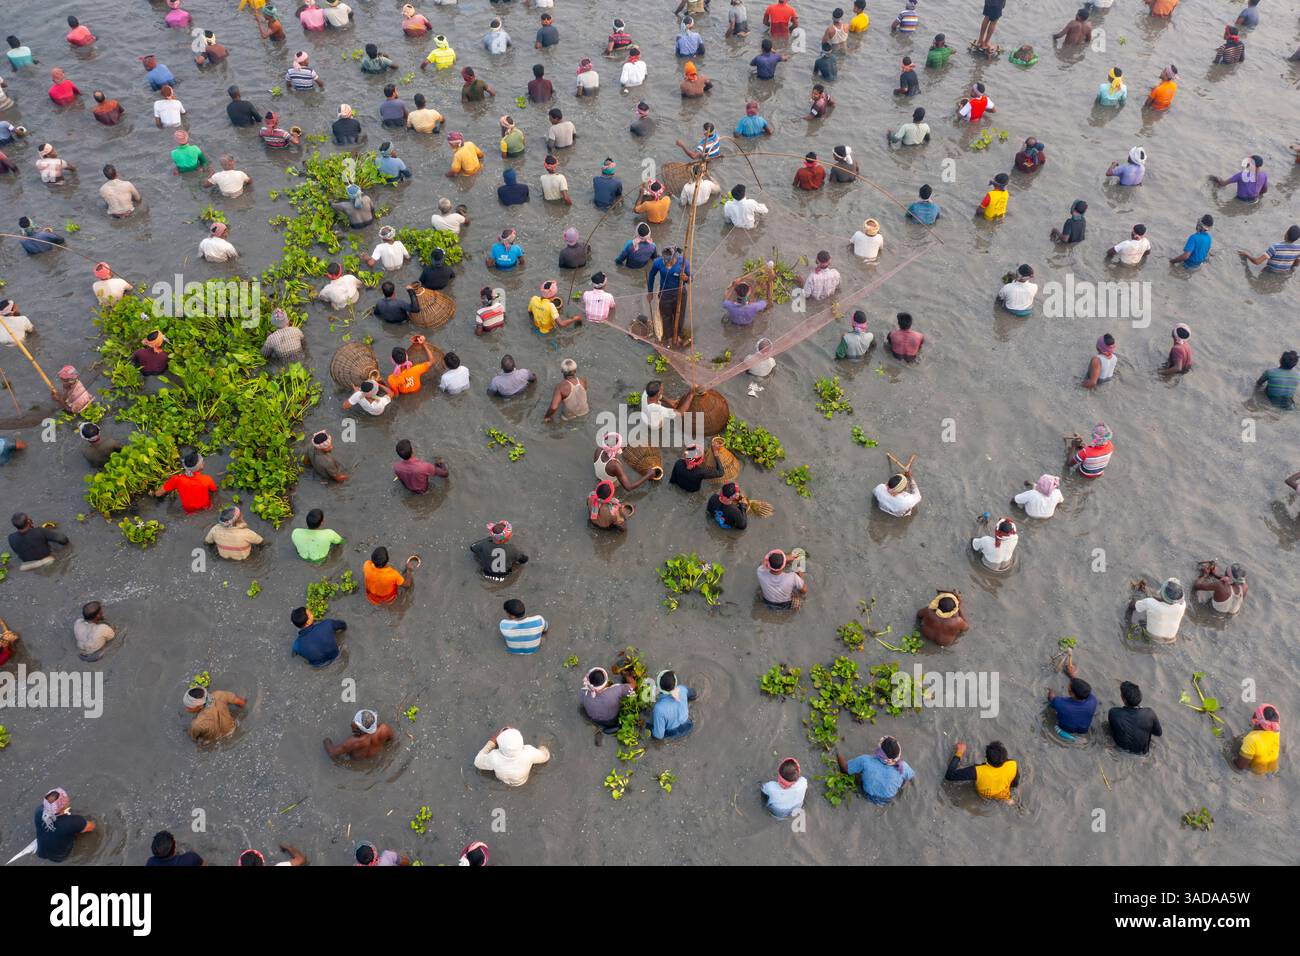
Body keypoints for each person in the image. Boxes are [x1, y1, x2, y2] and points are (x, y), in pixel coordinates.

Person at [839, 737, 915, 804]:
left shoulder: (865, 760)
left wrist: (837, 754)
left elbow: (845, 769)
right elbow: (911, 776)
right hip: (889, 798)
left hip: (868, 795)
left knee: (857, 775)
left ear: (879, 751)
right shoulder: (903, 767)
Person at [944, 740, 1018, 801]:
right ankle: (1009, 801)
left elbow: (949, 775)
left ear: (986, 758)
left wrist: (960, 752)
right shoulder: (1013, 764)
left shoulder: (977, 771)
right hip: (1004, 794)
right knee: (1007, 798)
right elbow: (1015, 784)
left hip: (984, 795)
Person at [34, 789, 94, 863]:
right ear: (65, 805)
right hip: (59, 856)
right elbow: (91, 827)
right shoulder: (73, 821)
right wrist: (79, 824)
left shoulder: (38, 811)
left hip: (41, 852)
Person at [474, 728, 550, 785]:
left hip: (502, 779)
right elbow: (546, 757)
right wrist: (543, 747)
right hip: (522, 781)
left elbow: (477, 762)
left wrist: (491, 743)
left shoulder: (494, 757)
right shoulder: (529, 753)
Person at [1106, 682, 1163, 755]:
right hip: (1143, 752)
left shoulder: (1114, 712)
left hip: (1120, 749)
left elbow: (1112, 729)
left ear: (1124, 699)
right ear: (1140, 696)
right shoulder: (1149, 713)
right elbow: (1158, 733)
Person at [1128, 578, 1186, 643]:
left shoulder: (1150, 602)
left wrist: (1133, 598)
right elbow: (1167, 603)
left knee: (1137, 615)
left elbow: (1132, 606)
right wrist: (1150, 595)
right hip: (1171, 639)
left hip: (1152, 637)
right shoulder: (1183, 605)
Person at [325, 709, 396, 759]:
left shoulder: (353, 742)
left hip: (356, 760)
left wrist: (326, 741)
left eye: (354, 722)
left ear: (358, 730)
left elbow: (332, 753)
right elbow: (392, 740)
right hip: (375, 754)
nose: (351, 723)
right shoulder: (384, 729)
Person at [1047, 669, 1097, 737]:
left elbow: (1051, 699)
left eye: (1069, 687)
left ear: (1072, 694)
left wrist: (1050, 691)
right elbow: (1084, 690)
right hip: (1084, 730)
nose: (1068, 685)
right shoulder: (1093, 701)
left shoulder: (1060, 703)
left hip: (1065, 729)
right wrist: (1072, 676)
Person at [650, 671, 696, 740]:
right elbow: (693, 695)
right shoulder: (682, 689)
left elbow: (659, 736)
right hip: (688, 725)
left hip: (673, 733)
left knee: (647, 722)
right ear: (675, 683)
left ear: (659, 688)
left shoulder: (659, 708)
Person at [1234, 705, 1279, 773]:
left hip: (1256, 772)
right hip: (1272, 768)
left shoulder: (1251, 739)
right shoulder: (1275, 732)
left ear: (1256, 720)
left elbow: (1240, 766)